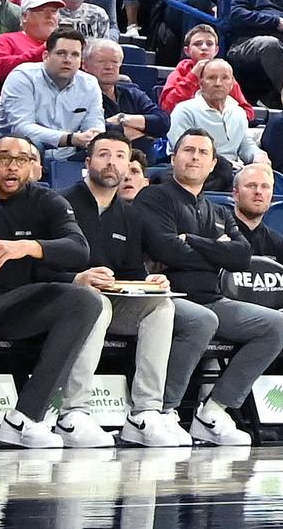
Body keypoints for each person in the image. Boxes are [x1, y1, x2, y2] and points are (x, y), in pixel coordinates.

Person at [54, 131, 218, 447]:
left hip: (113, 300)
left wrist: (149, 283)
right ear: (88, 162)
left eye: (119, 156)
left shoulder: (130, 214)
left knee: (160, 307)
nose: (111, 162)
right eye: (103, 154)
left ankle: (145, 413)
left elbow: (129, 270)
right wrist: (77, 278)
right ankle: (73, 413)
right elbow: (39, 265)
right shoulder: (60, 202)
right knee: (94, 303)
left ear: (129, 165)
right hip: (65, 297)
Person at [134, 129, 283, 444]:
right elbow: (166, 250)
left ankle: (213, 410)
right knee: (202, 319)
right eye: (188, 150)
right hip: (165, 299)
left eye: (202, 152)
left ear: (213, 163)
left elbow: (242, 256)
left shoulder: (217, 210)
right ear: (173, 156)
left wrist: (191, 240)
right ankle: (162, 412)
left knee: (276, 324)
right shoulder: (154, 197)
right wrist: (215, 249)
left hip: (213, 300)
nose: (195, 157)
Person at [0, 135, 106, 449]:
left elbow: (79, 250)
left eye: (22, 159)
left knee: (85, 300)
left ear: (34, 167)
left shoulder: (47, 201)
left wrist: (29, 246)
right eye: (3, 158)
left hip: (14, 306)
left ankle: (25, 417)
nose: (12, 166)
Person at [0, 26, 105, 162]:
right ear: (46, 56)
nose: (68, 60)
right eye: (61, 53)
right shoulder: (22, 77)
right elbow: (21, 129)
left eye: (75, 55)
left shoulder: (90, 84)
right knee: (31, 147)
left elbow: (95, 125)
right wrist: (71, 139)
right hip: (15, 155)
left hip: (68, 157)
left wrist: (93, 135)